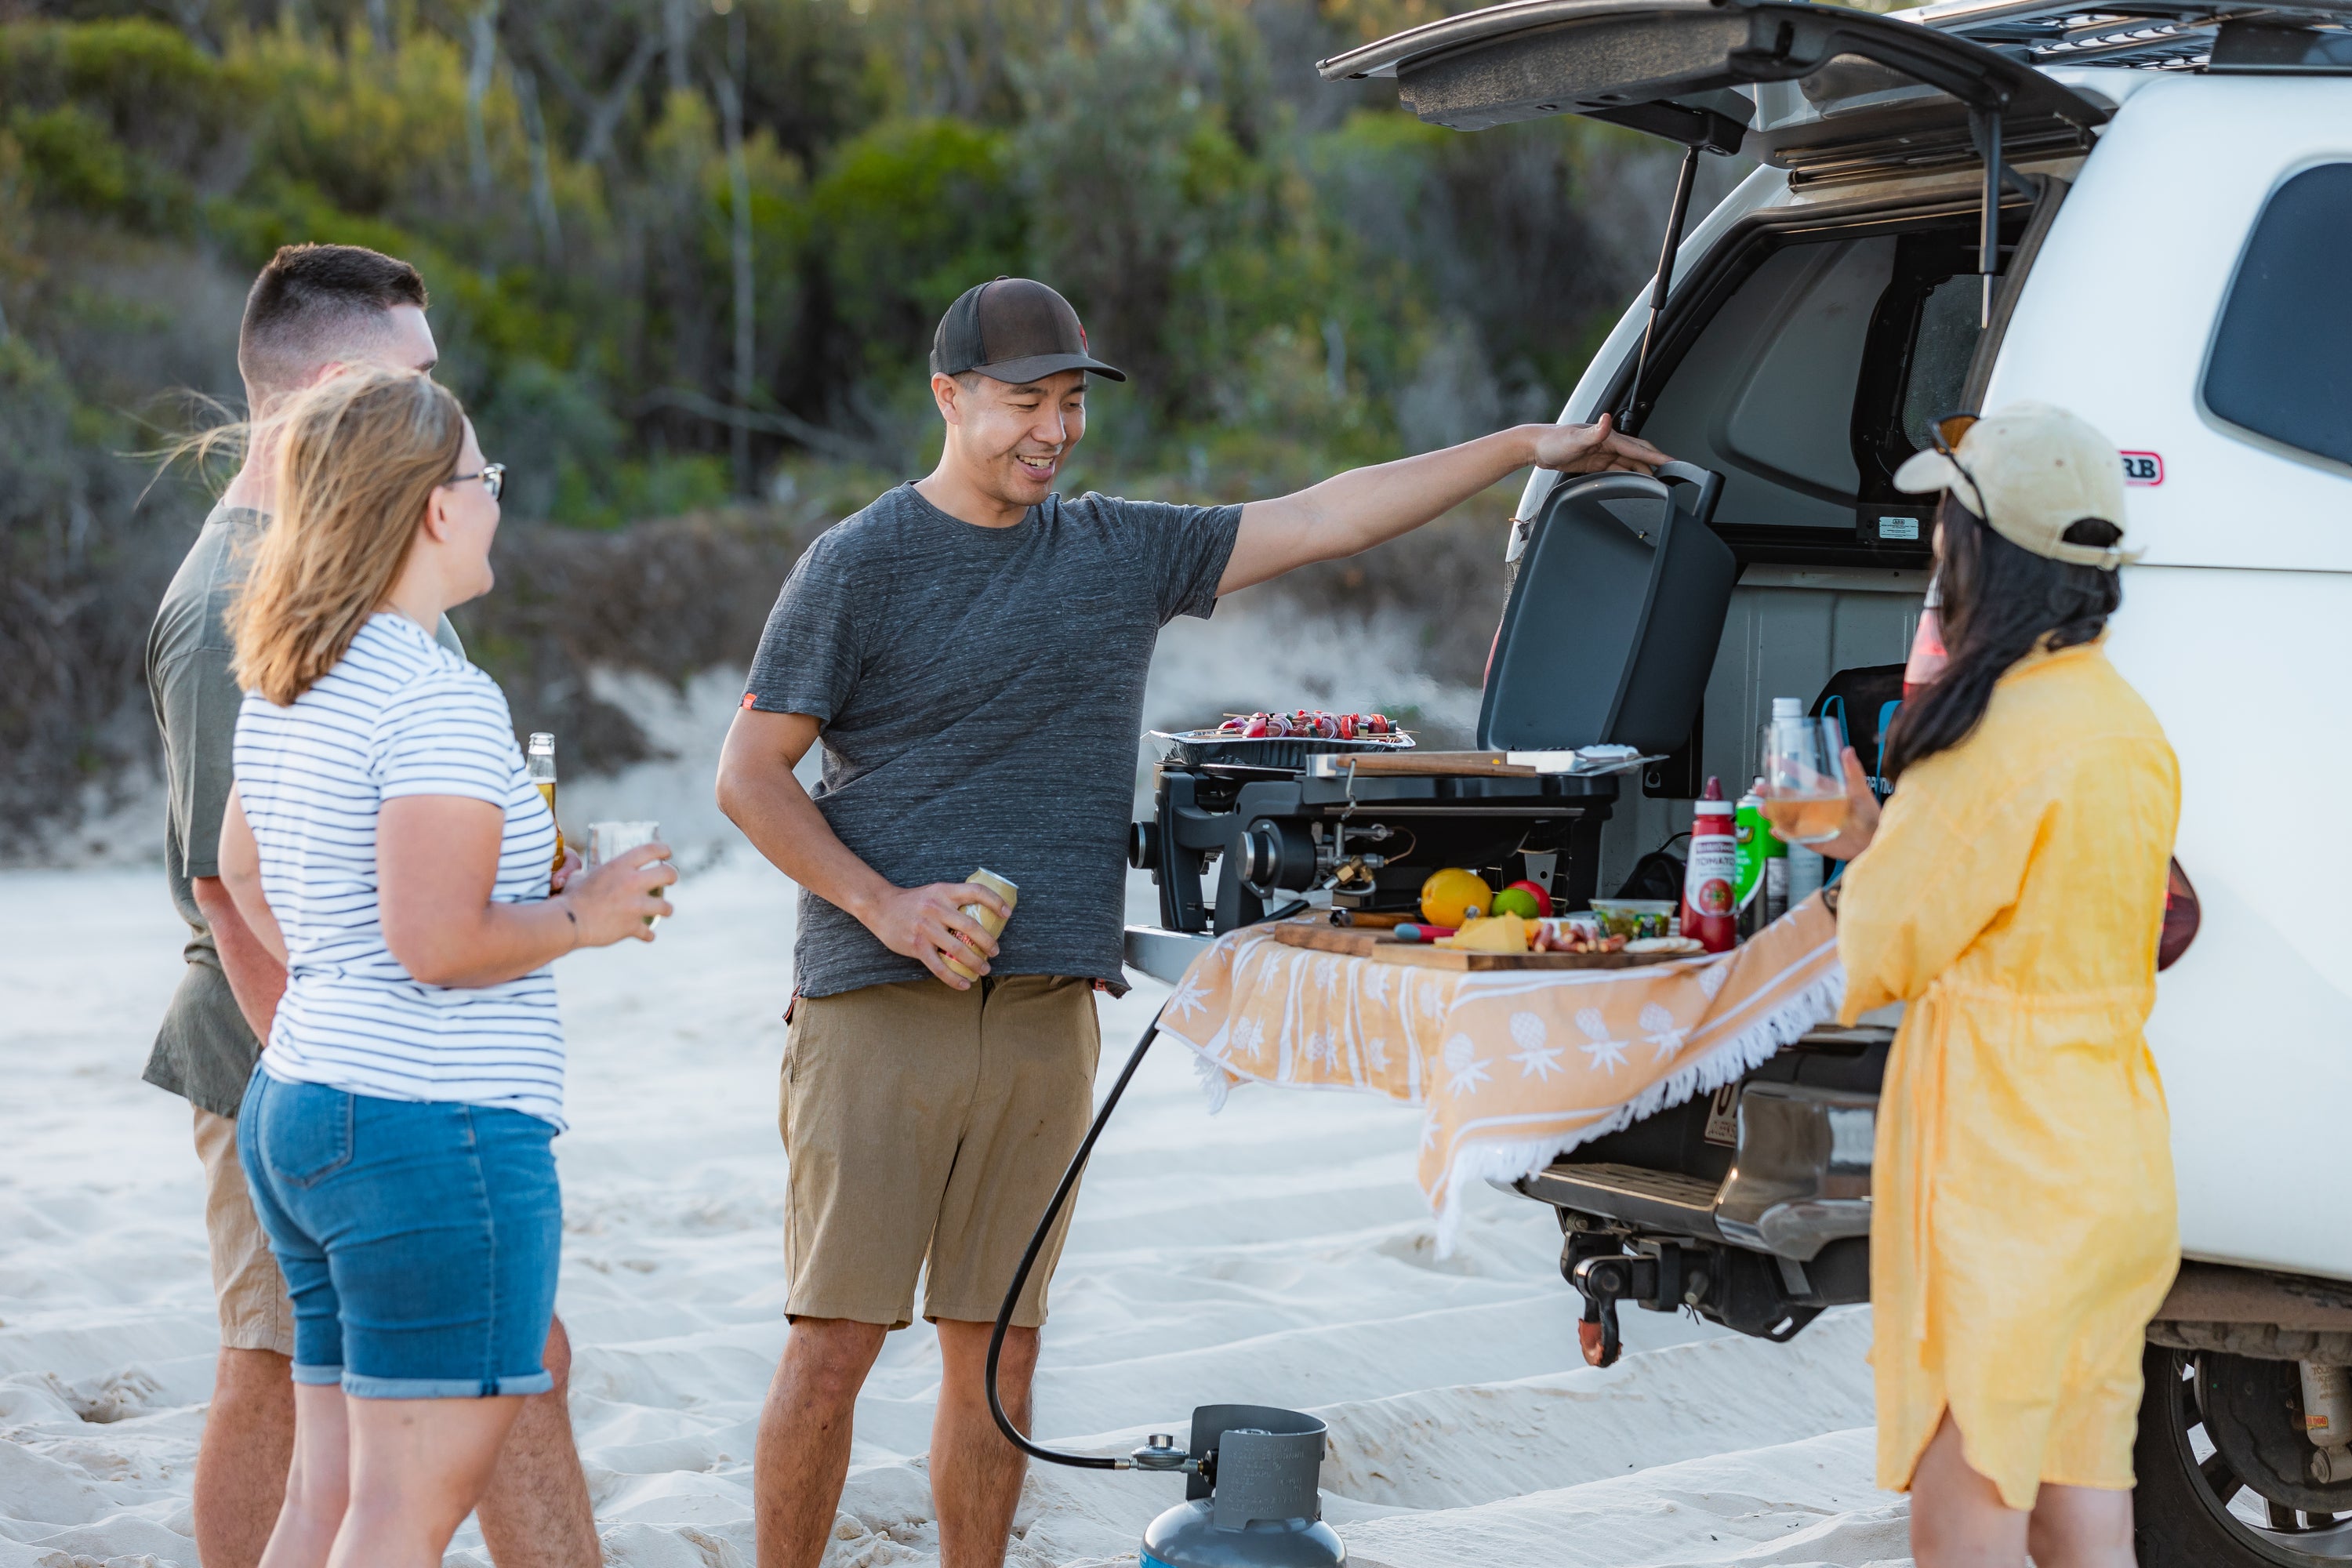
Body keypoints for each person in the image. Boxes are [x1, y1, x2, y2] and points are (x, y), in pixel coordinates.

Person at [713, 275, 1669, 1568]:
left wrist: (1519, 450)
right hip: (878, 1007)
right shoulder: (860, 563)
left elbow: (1327, 514)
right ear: (948, 398)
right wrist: (887, 907)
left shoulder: (1118, 552)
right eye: (1021, 404)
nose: (1051, 432)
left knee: (1000, 1354)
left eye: (1068, 404)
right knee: (834, 1348)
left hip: (1050, 1009)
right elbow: (749, 775)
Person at [146, 241, 604, 1568]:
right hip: (311, 1057)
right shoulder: (243, 589)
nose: (465, 437)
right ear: (350, 392)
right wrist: (346, 1055)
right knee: (300, 1395)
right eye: (420, 383)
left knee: (433, 1406)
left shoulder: (326, 577)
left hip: (345, 1065)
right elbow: (227, 881)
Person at [212, 364, 674, 1568]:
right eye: (485, 477)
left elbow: (242, 870)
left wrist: (341, 971)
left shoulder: (288, 678)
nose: (497, 501)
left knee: (328, 1502)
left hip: (305, 1102)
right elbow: (436, 942)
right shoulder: (435, 697)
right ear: (433, 506)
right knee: (398, 1520)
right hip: (434, 1133)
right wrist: (593, 915)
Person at [1808, 402, 2179, 1568]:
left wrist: (1866, 845)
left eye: (1944, 521)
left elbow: (1881, 948)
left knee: (1965, 1506)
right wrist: (1888, 831)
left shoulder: (1991, 736)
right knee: (2083, 1515)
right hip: (2110, 1163)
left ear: (1981, 552)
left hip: (2004, 1179)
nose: (1932, 542)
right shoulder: (2125, 723)